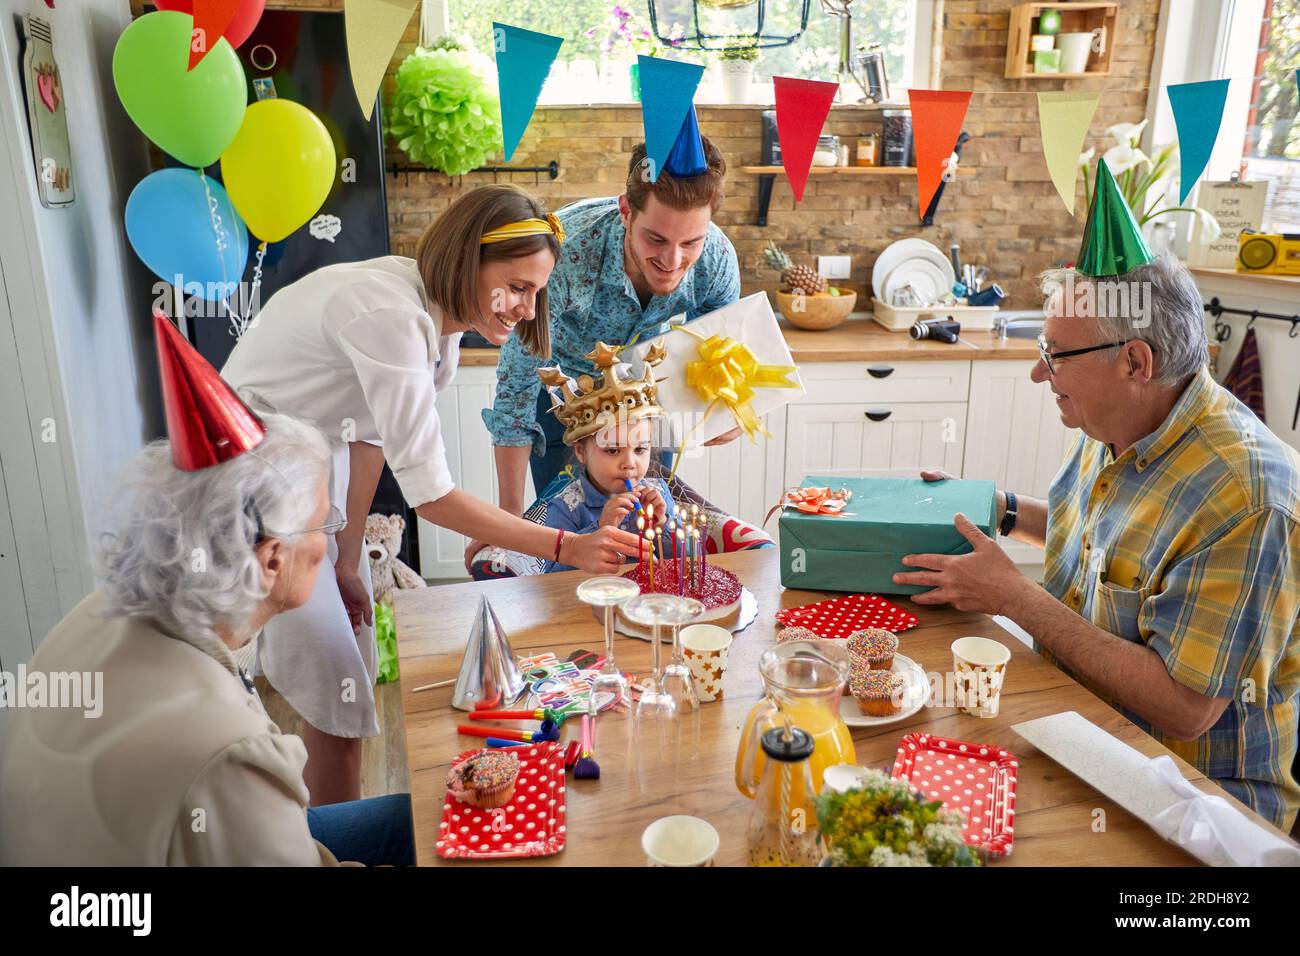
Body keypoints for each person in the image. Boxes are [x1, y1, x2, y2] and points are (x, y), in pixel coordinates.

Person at [221, 185, 639, 805]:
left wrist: (347, 559)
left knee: (350, 684)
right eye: (516, 286)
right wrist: (567, 545)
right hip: (251, 485)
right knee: (338, 696)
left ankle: (330, 833)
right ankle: (326, 845)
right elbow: (431, 495)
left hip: (310, 466)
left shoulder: (437, 325)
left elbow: (365, 437)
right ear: (469, 258)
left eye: (536, 291)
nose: (527, 307)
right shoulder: (392, 317)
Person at [895, 251, 1300, 831]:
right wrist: (999, 510)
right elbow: (1094, 539)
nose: (1040, 373)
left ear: (1135, 361)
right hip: (1080, 731)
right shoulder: (1116, 421)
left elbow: (1185, 709)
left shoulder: (1249, 497)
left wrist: (1013, 598)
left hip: (1196, 800)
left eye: (1053, 355)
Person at [0, 318, 414, 863]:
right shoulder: (230, 755)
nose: (331, 538)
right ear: (272, 558)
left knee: (416, 818)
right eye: (324, 522)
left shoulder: (98, 609)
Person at [476, 108, 742, 567]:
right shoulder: (564, 256)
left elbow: (721, 349)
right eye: (655, 239)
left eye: (690, 243)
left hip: (646, 395)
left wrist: (729, 405)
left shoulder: (716, 257)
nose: (673, 260)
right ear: (625, 210)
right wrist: (510, 525)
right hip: (562, 398)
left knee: (654, 528)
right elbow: (516, 394)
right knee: (563, 537)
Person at [538, 343, 672, 572]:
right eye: (612, 451)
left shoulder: (659, 493)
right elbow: (552, 581)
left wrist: (664, 525)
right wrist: (600, 529)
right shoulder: (564, 508)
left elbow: (682, 564)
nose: (630, 463)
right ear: (581, 452)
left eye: (640, 449)